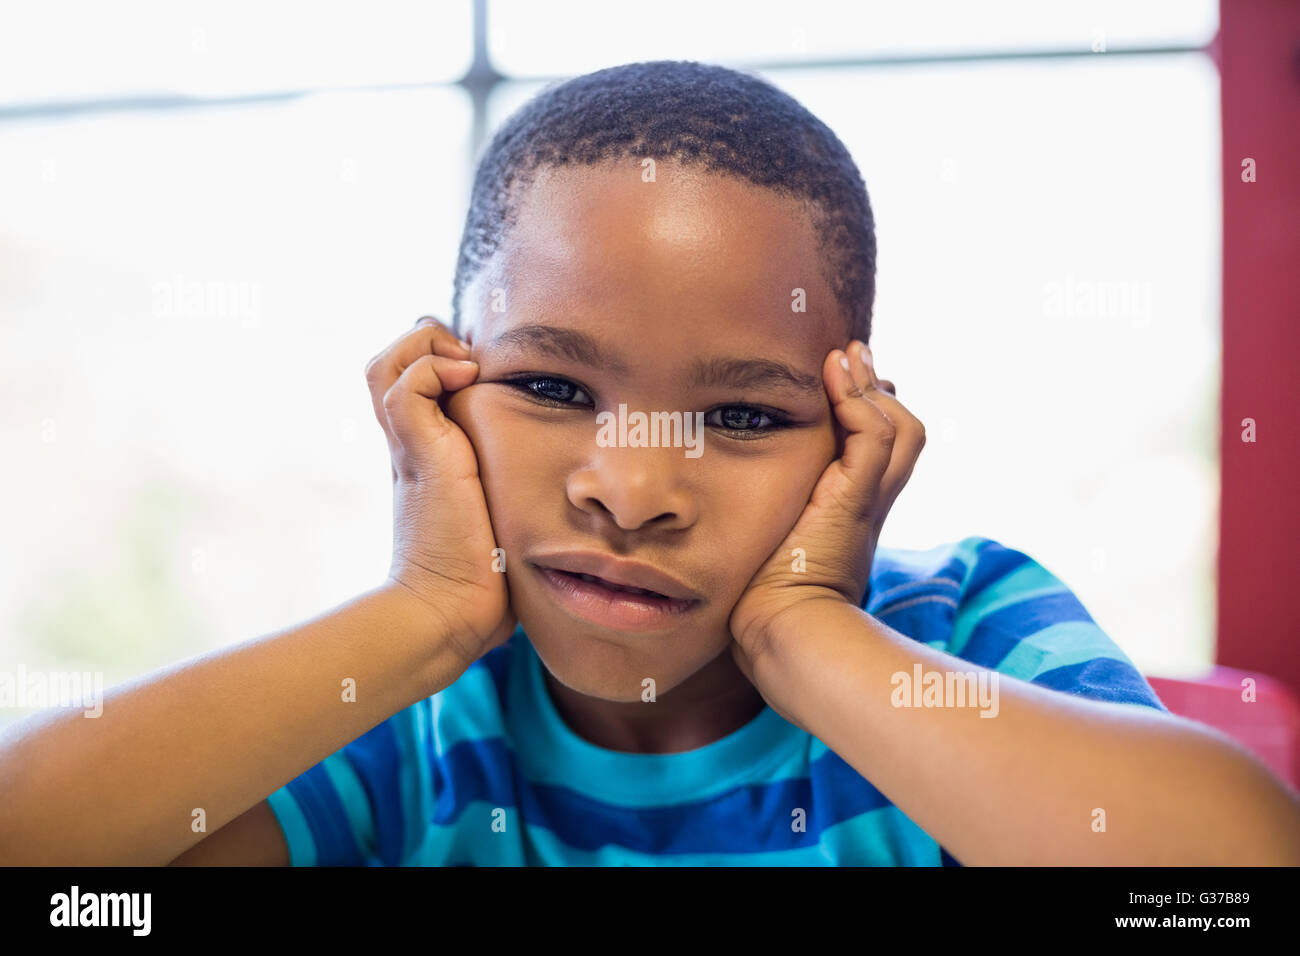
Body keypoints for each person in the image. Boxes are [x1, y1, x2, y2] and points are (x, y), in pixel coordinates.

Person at [3, 60, 1298, 866]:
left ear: (855, 435)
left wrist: (804, 633)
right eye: (555, 388)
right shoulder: (418, 726)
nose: (629, 490)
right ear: (441, 399)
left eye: (739, 417)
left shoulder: (963, 629)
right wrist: (423, 614)